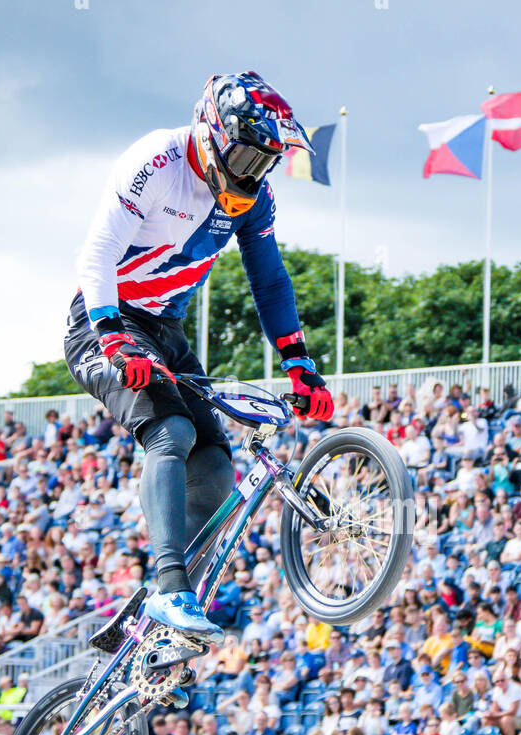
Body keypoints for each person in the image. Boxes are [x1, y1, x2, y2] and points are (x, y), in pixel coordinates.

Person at [62, 72, 333, 647]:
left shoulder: (253, 200)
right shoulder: (156, 160)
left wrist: (299, 364)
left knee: (214, 464)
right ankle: (168, 584)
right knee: (172, 432)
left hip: (163, 328)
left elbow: (269, 279)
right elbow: (98, 251)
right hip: (103, 320)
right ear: (212, 132)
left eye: (264, 163)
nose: (251, 172)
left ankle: (157, 629)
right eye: (244, 154)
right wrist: (112, 334)